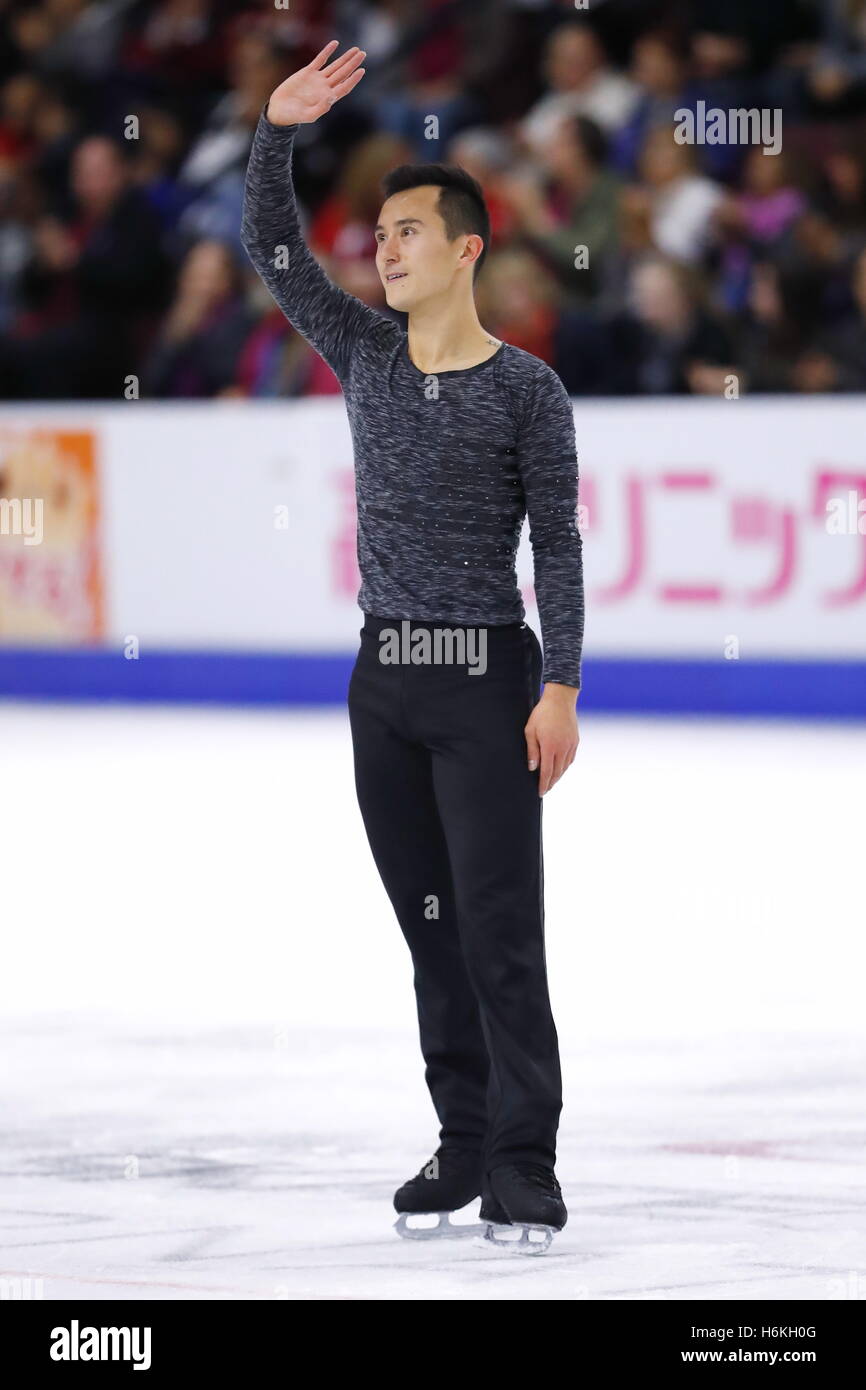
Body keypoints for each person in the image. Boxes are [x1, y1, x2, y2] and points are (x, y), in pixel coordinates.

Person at [241, 40, 584, 1255]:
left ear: (466, 249)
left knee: (498, 932)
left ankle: (523, 1163)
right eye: (377, 233)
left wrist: (557, 682)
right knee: (428, 929)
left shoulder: (527, 390)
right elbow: (274, 251)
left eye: (405, 233)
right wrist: (276, 133)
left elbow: (556, 550)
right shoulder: (363, 355)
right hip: (381, 681)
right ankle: (460, 1132)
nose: (381, 249)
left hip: (487, 681)